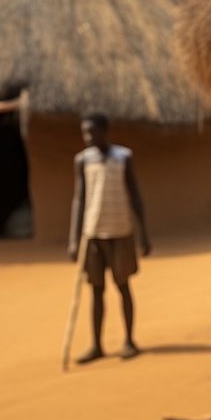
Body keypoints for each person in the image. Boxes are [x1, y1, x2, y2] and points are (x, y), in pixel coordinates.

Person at [68, 112, 151, 364]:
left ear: (105, 131)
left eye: (92, 131)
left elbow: (135, 196)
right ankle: (97, 345)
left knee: (123, 285)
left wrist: (143, 235)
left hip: (121, 231)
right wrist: (74, 237)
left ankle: (129, 340)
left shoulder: (123, 157)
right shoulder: (83, 160)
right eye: (84, 132)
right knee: (96, 290)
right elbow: (79, 199)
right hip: (92, 234)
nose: (88, 137)